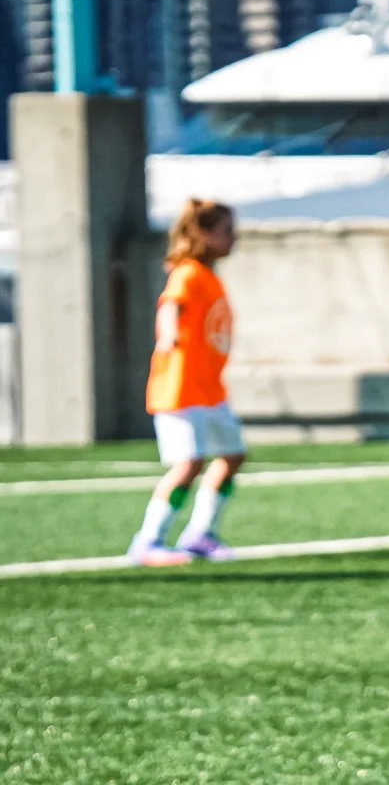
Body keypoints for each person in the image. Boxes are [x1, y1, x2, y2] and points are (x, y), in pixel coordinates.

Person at [129, 200, 245, 564]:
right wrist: (167, 336)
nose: (233, 237)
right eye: (226, 230)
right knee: (188, 464)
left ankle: (200, 533)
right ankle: (148, 541)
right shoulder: (188, 272)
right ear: (204, 235)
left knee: (232, 456)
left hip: (210, 390)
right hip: (181, 388)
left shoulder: (210, 276)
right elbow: (171, 306)